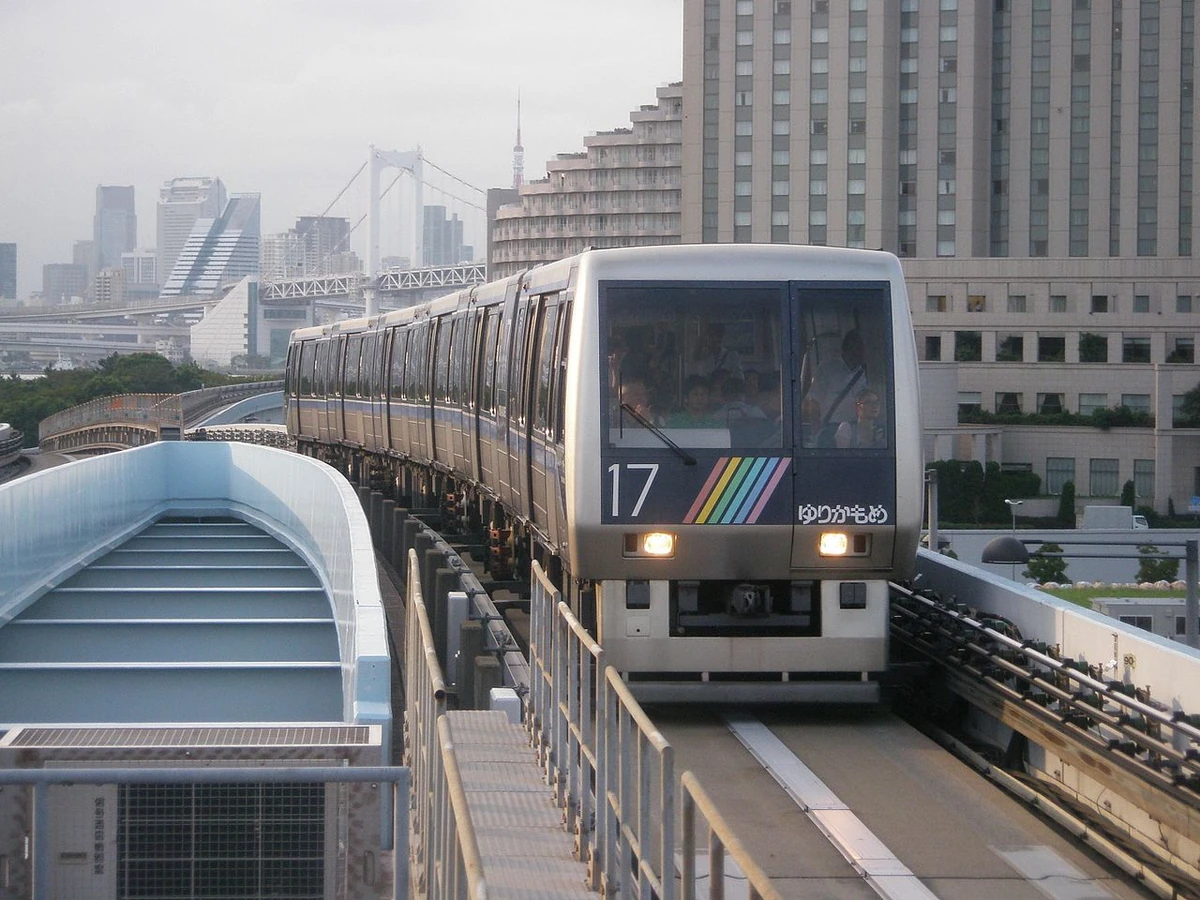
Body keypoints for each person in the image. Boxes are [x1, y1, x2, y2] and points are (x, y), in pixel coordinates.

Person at [807, 329, 868, 428]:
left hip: (855, 428)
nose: (863, 353)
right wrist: (816, 431)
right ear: (848, 349)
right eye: (858, 349)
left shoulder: (862, 373)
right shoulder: (827, 369)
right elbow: (814, 401)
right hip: (831, 428)